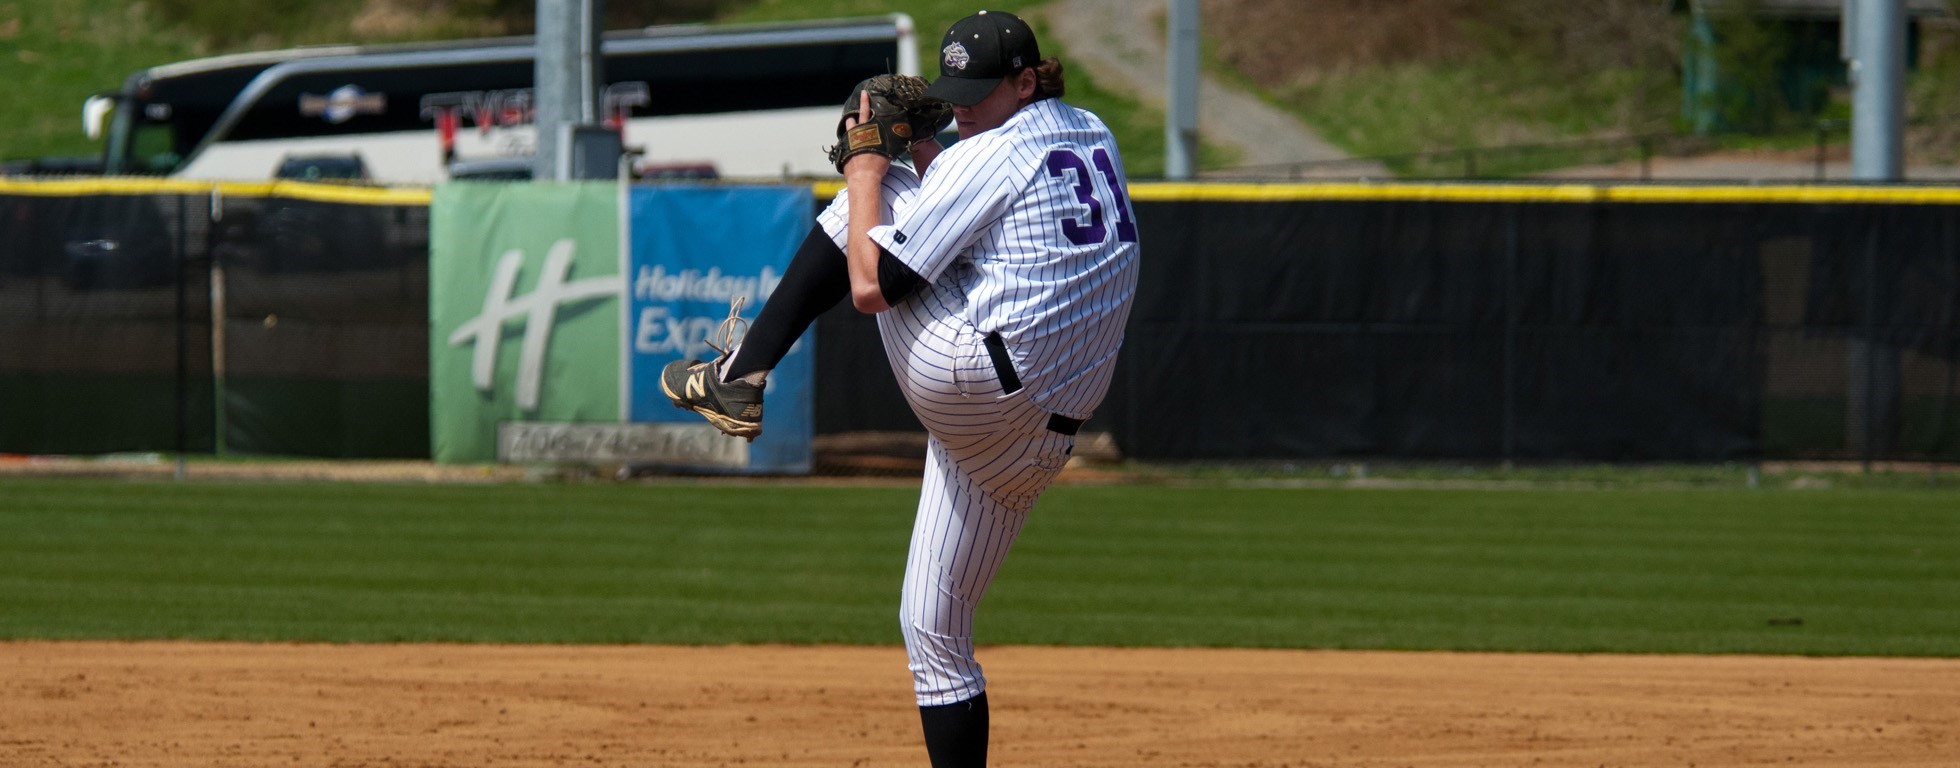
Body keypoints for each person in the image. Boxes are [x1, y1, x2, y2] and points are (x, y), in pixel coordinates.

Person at [662, 10, 1140, 767]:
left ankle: (738, 376)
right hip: (1040, 438)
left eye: (978, 93)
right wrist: (923, 147)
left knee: (870, 205)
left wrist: (869, 167)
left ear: (1025, 81)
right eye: (955, 92)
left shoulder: (992, 155)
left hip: (975, 387)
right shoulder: (1090, 131)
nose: (961, 107)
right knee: (934, 633)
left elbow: (872, 288)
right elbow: (986, 191)